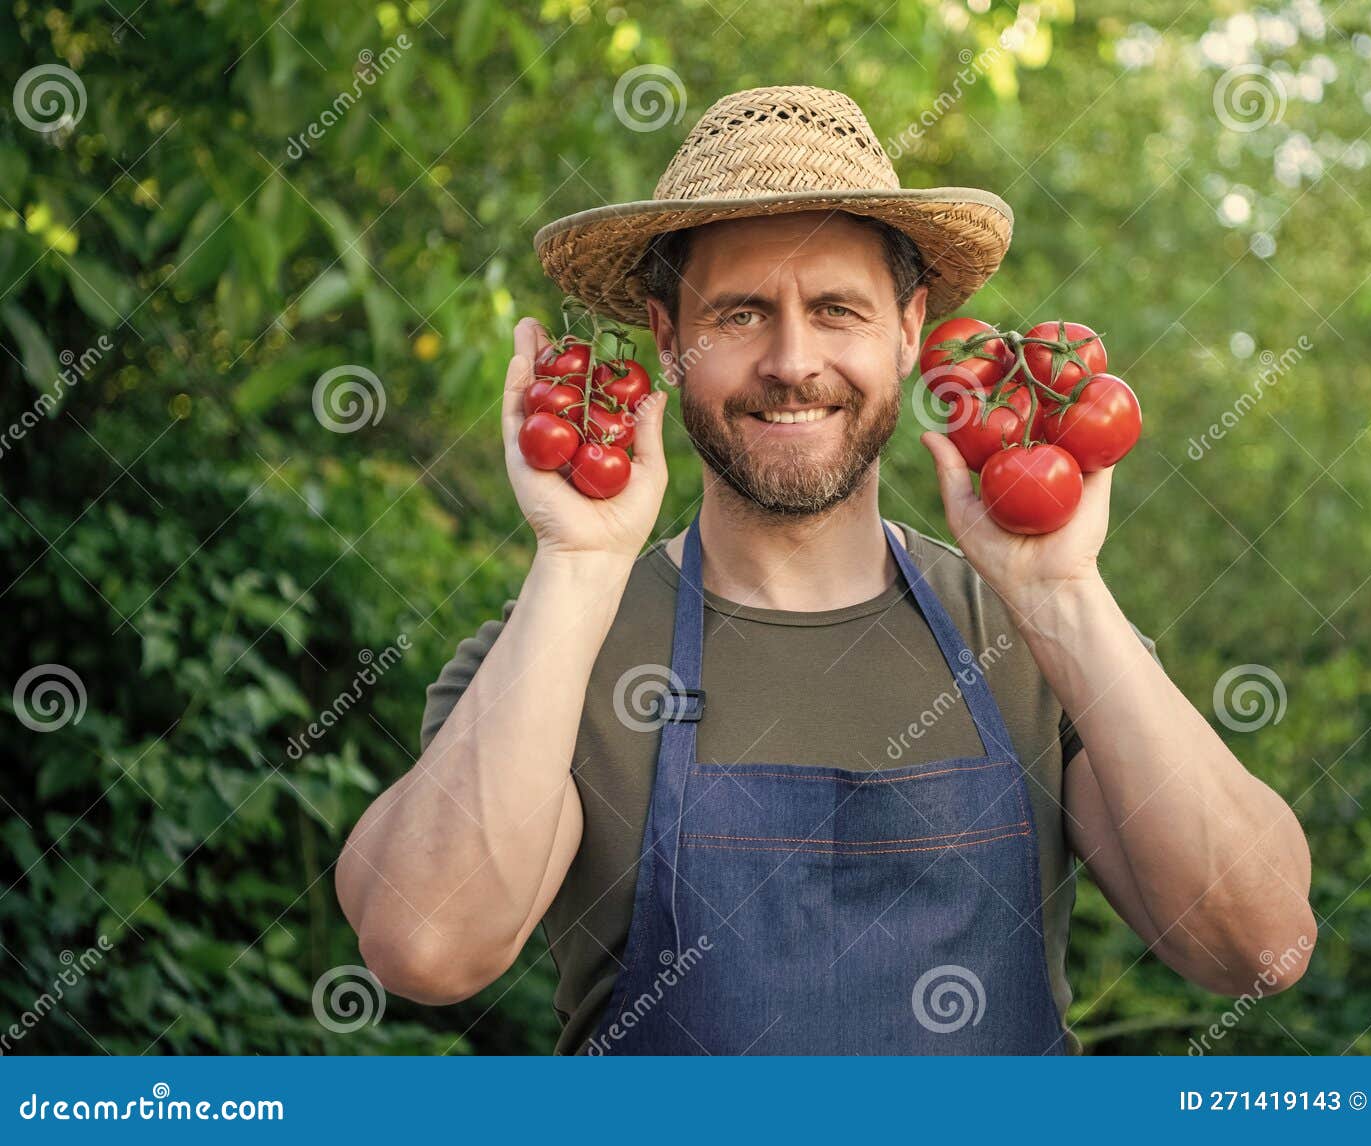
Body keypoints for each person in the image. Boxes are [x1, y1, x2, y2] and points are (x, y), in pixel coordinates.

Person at [334, 85, 1314, 1055]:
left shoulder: (1034, 636)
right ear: (670, 341)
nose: (792, 360)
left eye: (837, 309)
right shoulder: (551, 651)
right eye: (740, 314)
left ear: (908, 328)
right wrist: (578, 563)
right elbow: (427, 944)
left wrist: (1060, 593)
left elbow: (1257, 944)